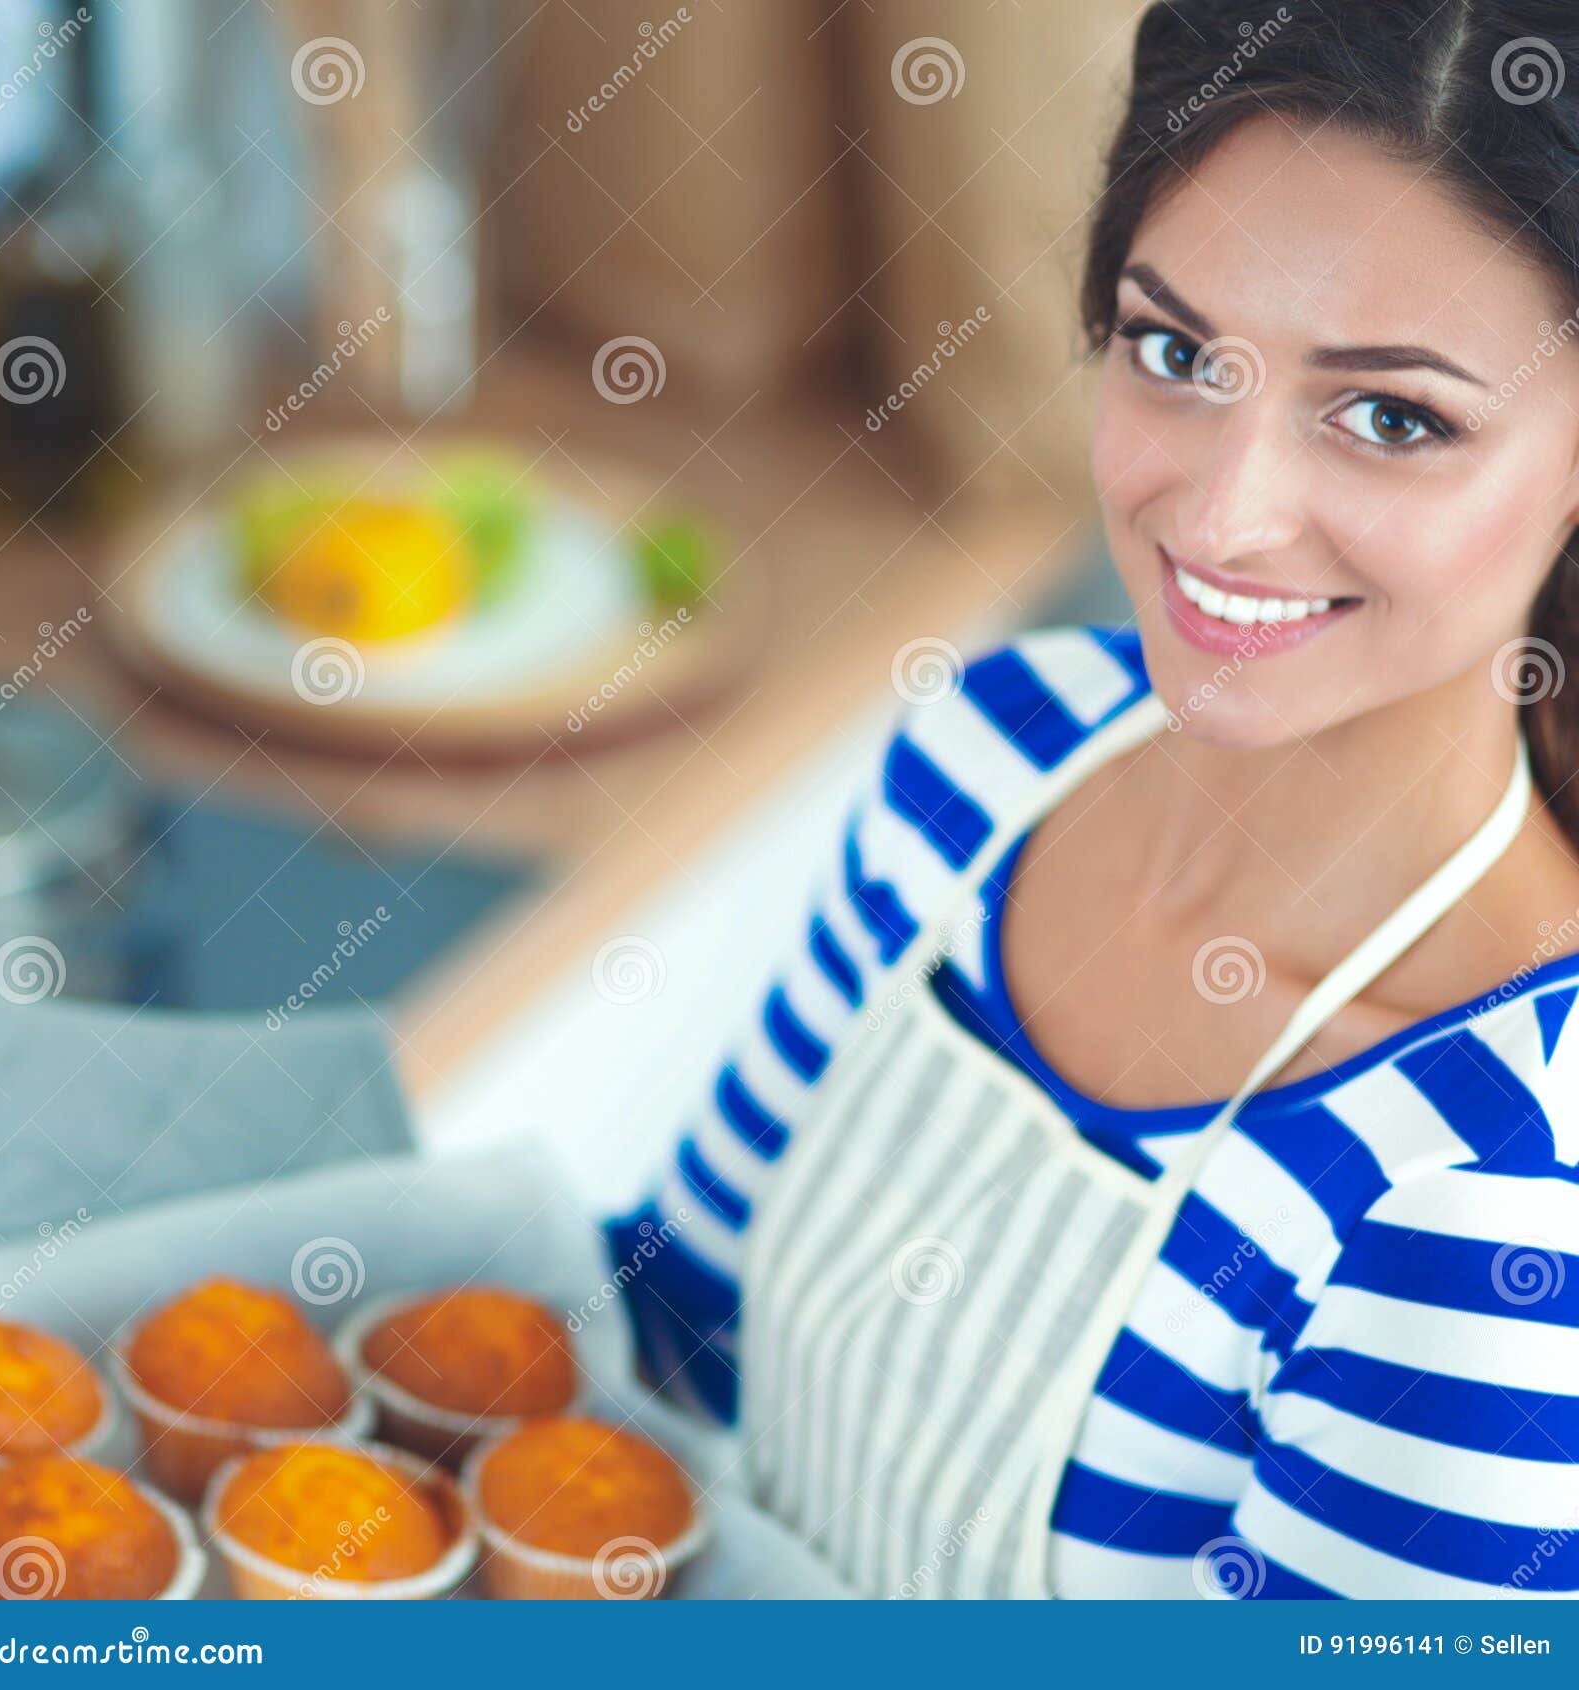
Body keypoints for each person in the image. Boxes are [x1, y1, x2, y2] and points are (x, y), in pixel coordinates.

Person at [607, 0, 1579, 1598]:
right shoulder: (988, 758)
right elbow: (675, 1323)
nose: (1223, 511)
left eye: (1393, 416)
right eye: (1177, 349)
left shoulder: (1496, 1206)